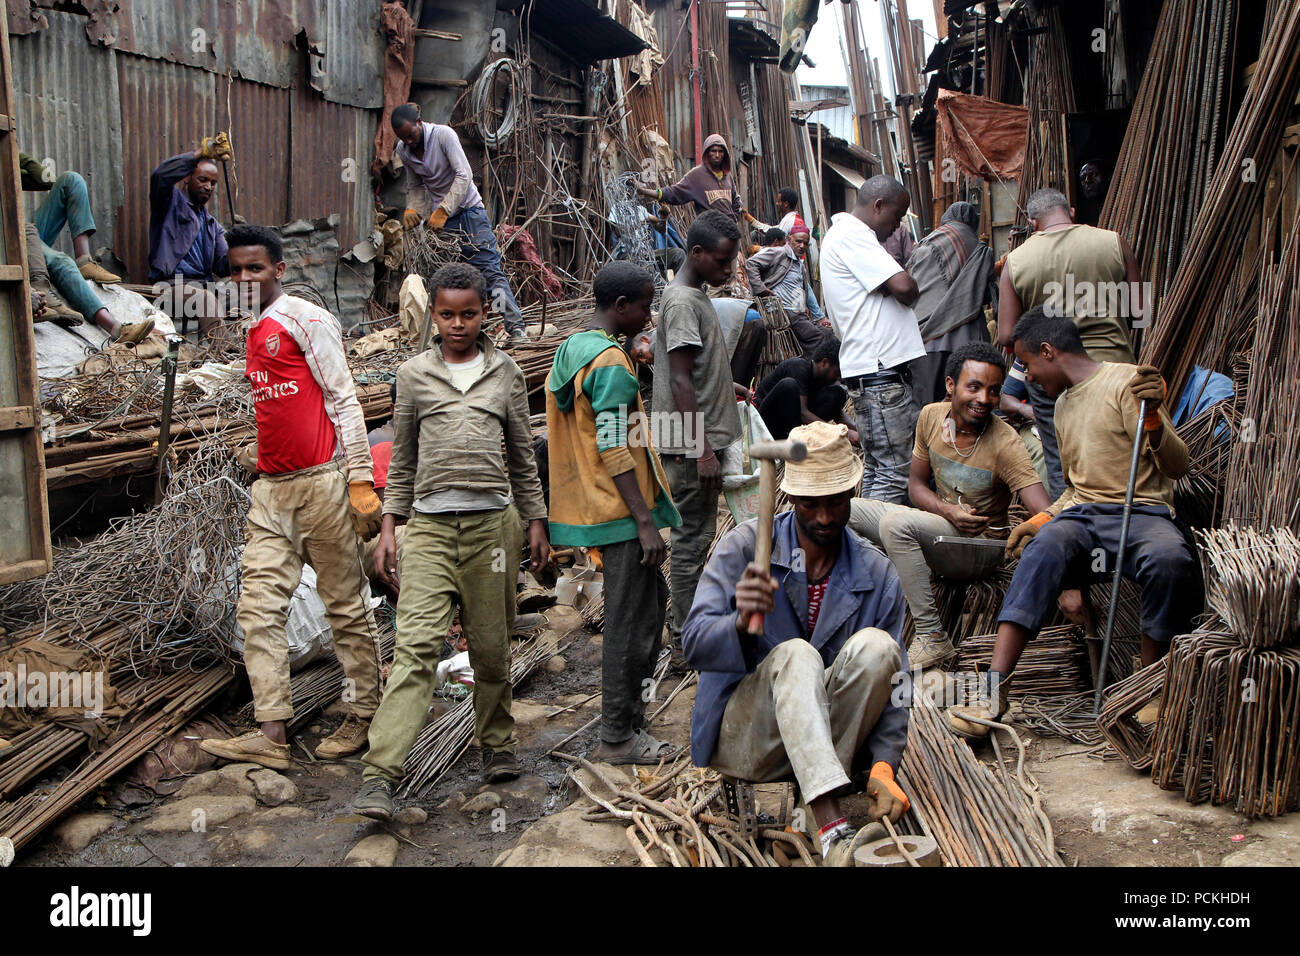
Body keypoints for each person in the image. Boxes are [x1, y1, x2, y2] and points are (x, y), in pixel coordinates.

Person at [352, 263, 549, 821]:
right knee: (415, 649)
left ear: (485, 312)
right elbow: (404, 457)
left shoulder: (506, 373)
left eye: (468, 313)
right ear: (432, 315)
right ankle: (380, 775)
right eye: (446, 314)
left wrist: (535, 523)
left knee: (489, 648)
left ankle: (498, 748)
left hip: (493, 528)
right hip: (431, 530)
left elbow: (521, 456)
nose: (457, 324)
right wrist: (390, 528)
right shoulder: (413, 375)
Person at [949, 310, 1202, 739]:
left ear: (1048, 351)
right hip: (1086, 518)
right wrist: (1045, 518)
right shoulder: (1062, 405)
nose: (1026, 377)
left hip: (1143, 514)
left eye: (1028, 364)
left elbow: (1178, 467)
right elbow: (1076, 489)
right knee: (1044, 548)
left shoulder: (1127, 383)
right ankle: (994, 689)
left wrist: (1155, 420)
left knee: (1169, 557)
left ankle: (1151, 686)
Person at [683, 421, 911, 866]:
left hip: (832, 741)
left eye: (835, 502)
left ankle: (814, 808)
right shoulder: (745, 548)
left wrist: (885, 762)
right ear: (790, 496)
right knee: (796, 655)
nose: (823, 517)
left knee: (880, 649)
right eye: (810, 504)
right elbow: (693, 644)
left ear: (853, 492)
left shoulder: (877, 574)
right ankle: (831, 830)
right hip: (750, 738)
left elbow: (897, 683)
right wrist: (736, 623)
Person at [200, 225, 383, 769]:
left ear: (279, 270)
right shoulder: (252, 329)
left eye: (254, 268)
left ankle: (366, 713)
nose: (243, 278)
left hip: (323, 484)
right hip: (272, 492)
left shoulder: (307, 318)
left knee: (345, 606)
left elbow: (344, 399)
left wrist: (359, 480)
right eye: (234, 270)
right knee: (257, 609)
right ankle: (272, 734)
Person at [545, 261, 683, 764]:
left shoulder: (575, 350)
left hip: (599, 507)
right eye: (645, 306)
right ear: (620, 307)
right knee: (630, 624)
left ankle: (629, 721)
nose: (648, 316)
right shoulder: (609, 362)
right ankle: (619, 736)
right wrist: (646, 522)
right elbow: (612, 444)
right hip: (624, 515)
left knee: (645, 610)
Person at [848, 343, 1051, 668]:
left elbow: (1044, 513)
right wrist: (948, 511)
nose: (984, 399)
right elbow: (915, 486)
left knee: (895, 525)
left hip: (979, 546)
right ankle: (857, 600)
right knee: (848, 510)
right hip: (941, 527)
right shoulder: (930, 417)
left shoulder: (1005, 443)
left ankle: (932, 636)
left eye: (994, 391)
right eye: (974, 387)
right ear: (950, 385)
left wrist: (1037, 534)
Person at [997, 187, 1144, 497]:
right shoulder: (1113, 242)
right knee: (1128, 450)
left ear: (1033, 223)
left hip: (1052, 375)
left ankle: (1070, 523)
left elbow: (1007, 334)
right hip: (1114, 367)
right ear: (1072, 212)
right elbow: (1140, 311)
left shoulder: (1016, 262)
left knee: (1061, 460)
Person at [651, 210, 745, 660]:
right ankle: (686, 641)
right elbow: (682, 382)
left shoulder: (692, 295)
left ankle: (684, 629)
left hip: (692, 440)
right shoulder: (684, 302)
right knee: (690, 543)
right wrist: (702, 448)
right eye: (723, 262)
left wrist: (731, 387)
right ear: (697, 253)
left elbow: (688, 369)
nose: (729, 270)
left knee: (695, 538)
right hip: (690, 448)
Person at [820, 176, 922, 504]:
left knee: (881, 470)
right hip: (880, 375)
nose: (897, 225)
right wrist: (898, 283)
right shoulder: (853, 235)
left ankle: (866, 546)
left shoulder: (848, 237)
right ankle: (875, 549)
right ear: (878, 206)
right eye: (897, 215)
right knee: (894, 474)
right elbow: (906, 288)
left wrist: (889, 285)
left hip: (874, 375)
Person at [390, 103, 528, 341]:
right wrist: (413, 208)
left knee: (488, 273)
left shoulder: (444, 135)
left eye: (411, 135)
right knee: (452, 279)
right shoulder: (404, 150)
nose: (409, 142)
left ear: (420, 122)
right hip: (443, 224)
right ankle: (463, 334)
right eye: (403, 138)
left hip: (470, 213)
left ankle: (516, 329)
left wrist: (444, 208)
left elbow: (464, 174)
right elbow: (415, 186)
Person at [19, 157, 152, 343]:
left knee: (71, 180)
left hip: (26, 233)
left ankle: (84, 261)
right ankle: (116, 329)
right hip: (12, 241)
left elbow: (45, 179)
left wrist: (15, 155)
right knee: (61, 261)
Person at [906, 201, 995, 406]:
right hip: (971, 335)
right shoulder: (980, 248)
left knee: (929, 405)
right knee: (972, 402)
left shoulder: (929, 243)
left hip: (929, 337)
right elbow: (986, 296)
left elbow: (914, 290)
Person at [745, 221, 831, 356]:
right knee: (817, 338)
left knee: (828, 335)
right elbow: (751, 263)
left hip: (798, 314)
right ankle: (810, 371)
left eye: (805, 243)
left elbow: (806, 291)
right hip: (784, 312)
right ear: (789, 240)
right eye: (798, 241)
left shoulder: (799, 264)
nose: (802, 246)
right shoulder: (778, 253)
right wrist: (761, 289)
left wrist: (819, 316)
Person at [754, 337, 857, 443]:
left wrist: (857, 429)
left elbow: (837, 413)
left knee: (837, 394)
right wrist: (837, 432)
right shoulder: (798, 367)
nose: (839, 379)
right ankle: (793, 441)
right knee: (789, 385)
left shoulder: (822, 379)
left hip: (793, 423)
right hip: (766, 425)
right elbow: (803, 413)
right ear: (824, 363)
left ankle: (804, 440)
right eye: (837, 373)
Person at [637, 133, 753, 226]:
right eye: (713, 151)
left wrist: (733, 220)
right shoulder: (697, 176)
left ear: (725, 154)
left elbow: (736, 200)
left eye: (721, 151)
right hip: (708, 232)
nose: (717, 155)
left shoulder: (728, 177)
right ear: (707, 153)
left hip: (728, 232)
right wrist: (645, 192)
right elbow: (674, 192)